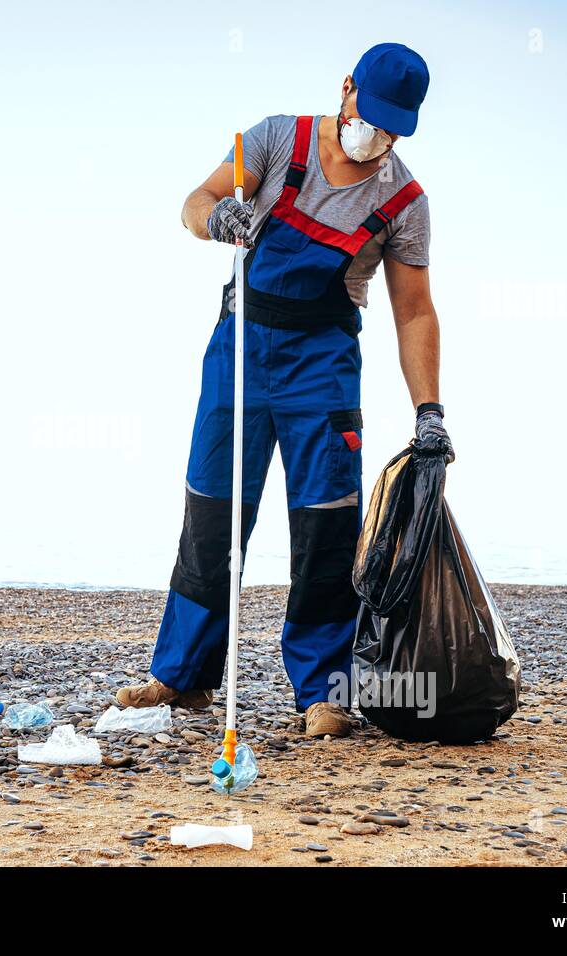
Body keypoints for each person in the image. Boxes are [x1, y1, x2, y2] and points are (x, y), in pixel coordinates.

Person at [118, 43, 453, 739]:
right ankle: (181, 676)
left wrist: (430, 411)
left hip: (323, 368)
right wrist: (217, 220)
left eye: (396, 127)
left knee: (327, 527)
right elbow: (196, 199)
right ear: (346, 89)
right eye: (373, 116)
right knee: (213, 510)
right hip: (238, 350)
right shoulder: (275, 139)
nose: (378, 137)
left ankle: (323, 693)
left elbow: (414, 310)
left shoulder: (404, 200)